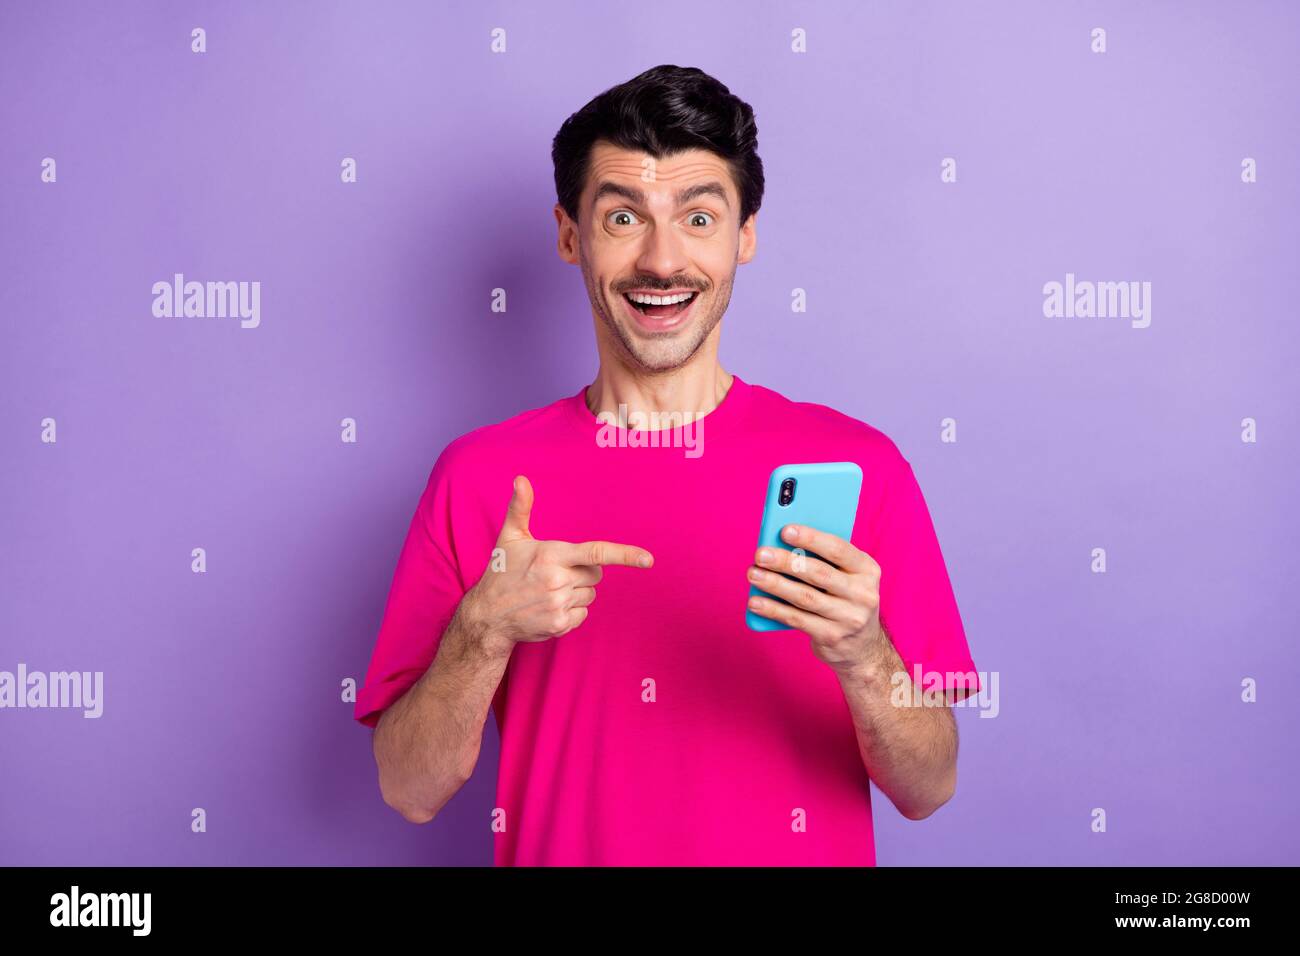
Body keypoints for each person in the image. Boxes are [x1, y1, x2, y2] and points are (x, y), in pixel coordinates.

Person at [354, 64, 980, 866]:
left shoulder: (859, 466)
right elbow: (409, 788)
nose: (661, 260)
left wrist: (864, 654)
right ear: (569, 234)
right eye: (622, 217)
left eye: (698, 216)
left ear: (744, 236)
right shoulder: (479, 477)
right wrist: (483, 631)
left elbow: (929, 787)